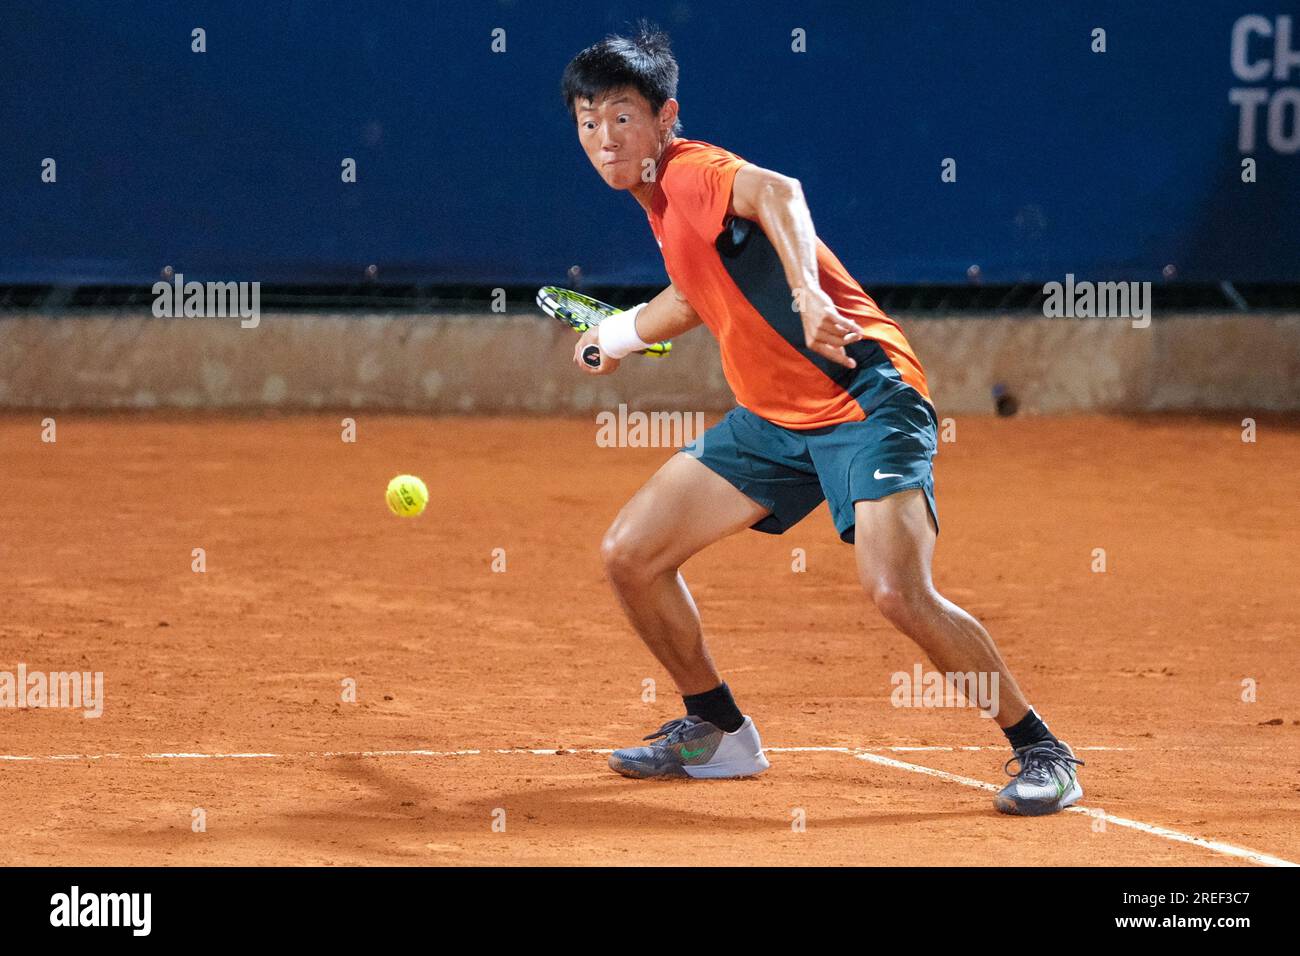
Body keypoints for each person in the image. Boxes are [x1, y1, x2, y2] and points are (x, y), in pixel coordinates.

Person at [560, 25, 1083, 815]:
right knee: (631, 554)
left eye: (623, 117)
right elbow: (696, 292)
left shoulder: (690, 171)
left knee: (896, 591)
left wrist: (809, 294)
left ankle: (1042, 748)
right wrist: (621, 335)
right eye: (589, 121)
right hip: (773, 418)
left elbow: (781, 192)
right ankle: (719, 730)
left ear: (666, 117)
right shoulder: (658, 204)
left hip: (863, 398)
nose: (606, 138)